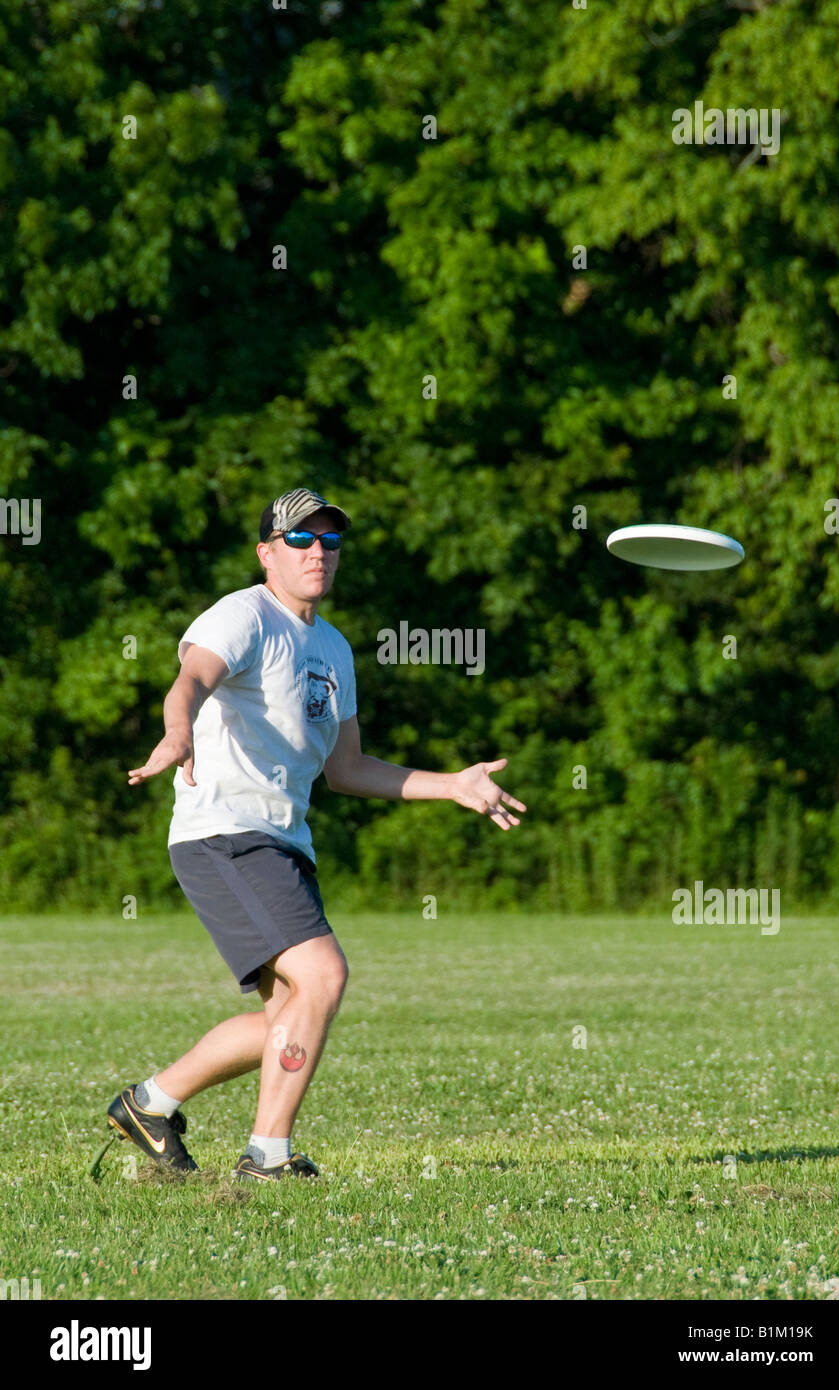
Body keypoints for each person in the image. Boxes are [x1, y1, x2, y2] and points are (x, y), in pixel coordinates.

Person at [107, 487, 526, 1182]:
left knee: (290, 1018)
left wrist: (451, 783)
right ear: (267, 551)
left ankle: (149, 1104)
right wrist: (177, 733)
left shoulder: (331, 647)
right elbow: (187, 682)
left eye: (330, 541)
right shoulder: (244, 615)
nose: (318, 553)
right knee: (325, 975)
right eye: (300, 540)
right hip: (225, 833)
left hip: (281, 842)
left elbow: (348, 768)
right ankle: (267, 1157)